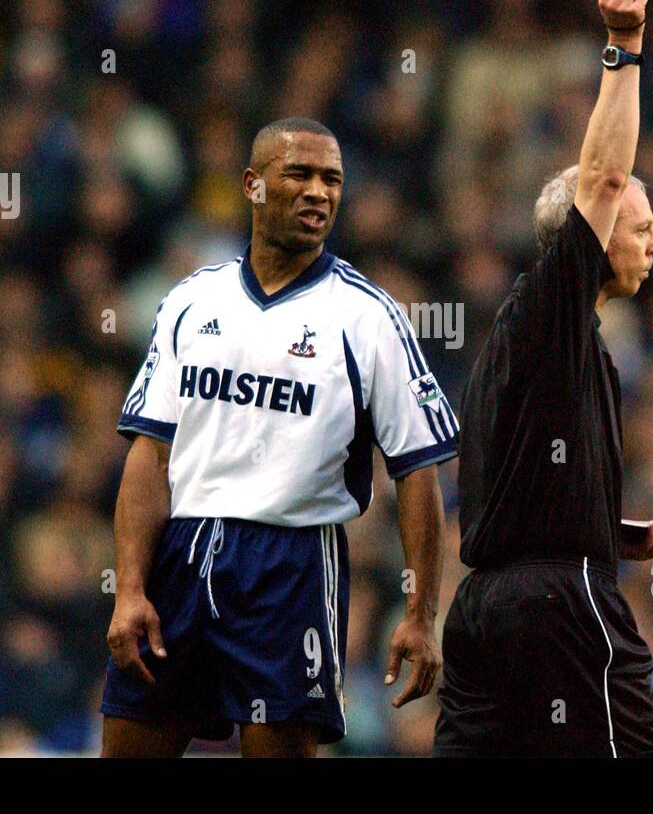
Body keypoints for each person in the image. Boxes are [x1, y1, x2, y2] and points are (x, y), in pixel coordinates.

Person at [101, 117, 457, 757]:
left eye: (332, 180)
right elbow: (149, 455)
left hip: (290, 565)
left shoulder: (369, 317)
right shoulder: (190, 301)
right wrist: (128, 588)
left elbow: (418, 471)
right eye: (300, 174)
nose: (319, 192)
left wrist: (421, 612)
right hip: (180, 557)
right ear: (252, 185)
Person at [434, 0, 653, 758]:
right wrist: (625, 44)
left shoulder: (536, 343)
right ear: (593, 232)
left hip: (483, 612)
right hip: (559, 606)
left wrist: (609, 530)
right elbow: (606, 173)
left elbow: (511, 490)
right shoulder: (550, 306)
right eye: (640, 227)